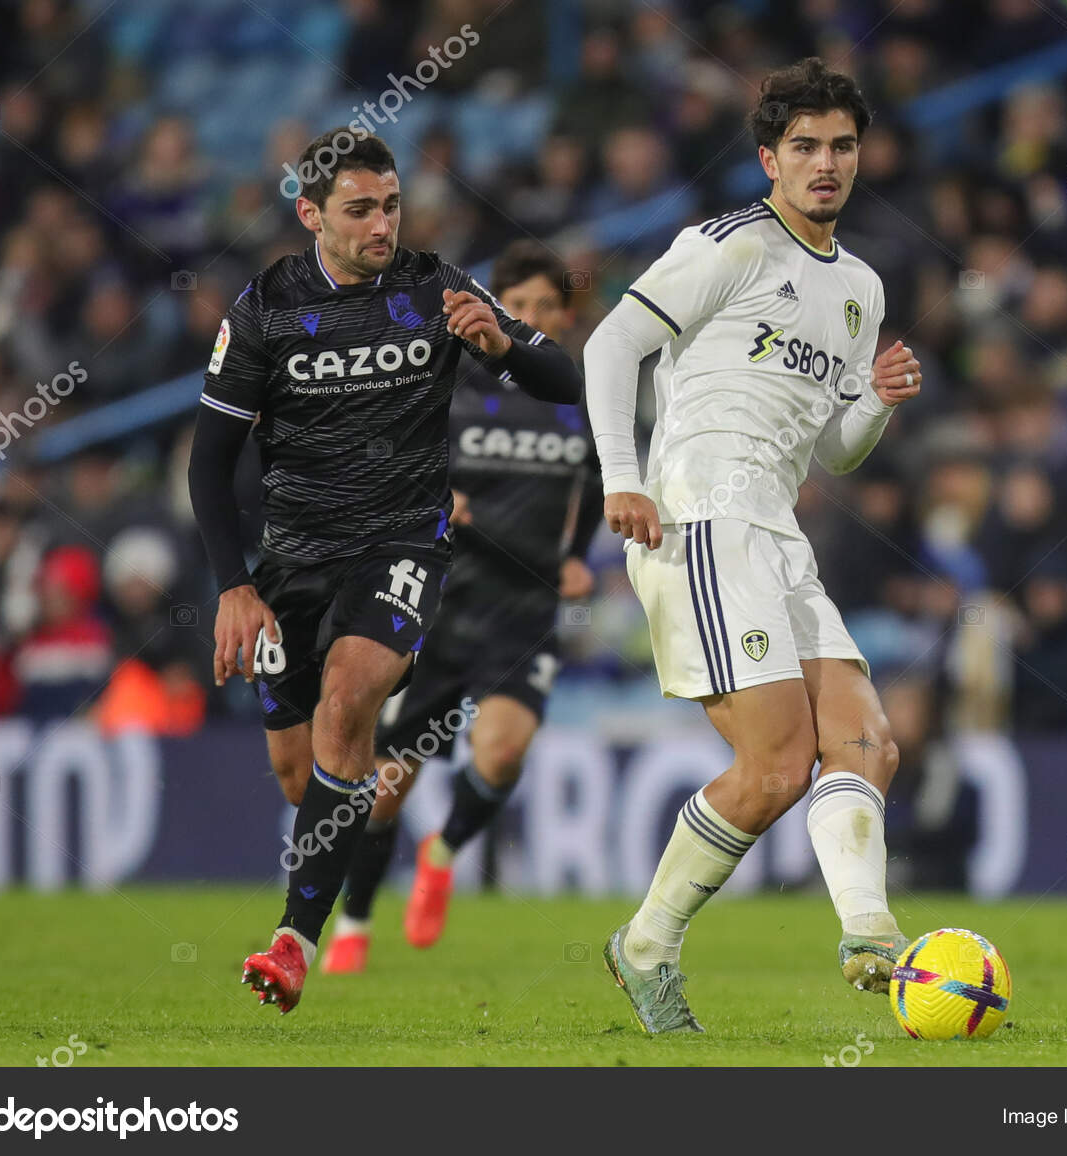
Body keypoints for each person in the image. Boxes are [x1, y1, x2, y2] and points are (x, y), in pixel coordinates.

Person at [186, 130, 580, 1014]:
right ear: (311, 214)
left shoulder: (437, 286)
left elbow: (567, 380)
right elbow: (209, 464)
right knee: (306, 776)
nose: (381, 224)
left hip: (403, 545)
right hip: (294, 560)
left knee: (349, 696)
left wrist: (505, 346)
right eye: (360, 209)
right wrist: (234, 586)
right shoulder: (264, 309)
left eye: (391, 205)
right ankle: (349, 880)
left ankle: (293, 940)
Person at [582, 58, 922, 1033]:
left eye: (842, 146)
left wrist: (878, 404)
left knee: (866, 739)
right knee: (776, 765)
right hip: (697, 518)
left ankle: (869, 938)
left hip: (778, 533)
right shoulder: (728, 244)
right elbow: (612, 348)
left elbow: (838, 450)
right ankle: (646, 944)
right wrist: (621, 477)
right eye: (805, 147)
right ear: (769, 158)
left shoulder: (857, 287)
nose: (825, 163)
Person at [321, 241, 601, 973]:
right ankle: (352, 920)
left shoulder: (577, 396)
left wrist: (578, 554)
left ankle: (441, 851)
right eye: (521, 305)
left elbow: (605, 482)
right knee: (386, 784)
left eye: (546, 307)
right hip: (438, 604)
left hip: (525, 607)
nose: (533, 316)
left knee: (503, 752)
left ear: (562, 318)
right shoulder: (454, 385)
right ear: (493, 308)